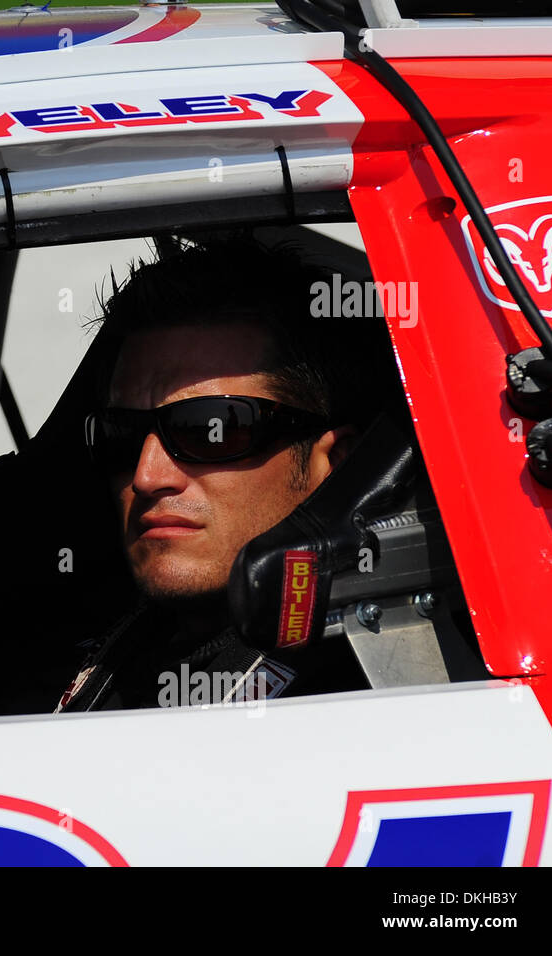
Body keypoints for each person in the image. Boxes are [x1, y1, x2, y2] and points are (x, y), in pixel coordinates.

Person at [55, 237, 398, 712]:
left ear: (335, 464)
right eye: (121, 435)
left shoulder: (390, 697)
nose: (147, 477)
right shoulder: (52, 644)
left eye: (209, 431)